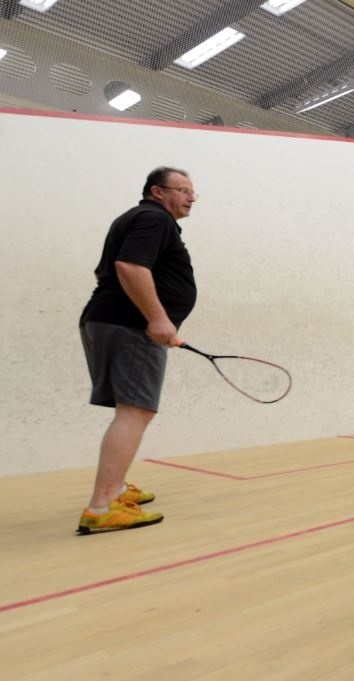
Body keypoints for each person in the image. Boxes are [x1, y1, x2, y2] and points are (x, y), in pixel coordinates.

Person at [76, 167, 199, 534]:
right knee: (136, 411)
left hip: (109, 321)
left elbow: (105, 272)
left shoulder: (136, 218)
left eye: (193, 192)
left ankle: (116, 488)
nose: (191, 197)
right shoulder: (153, 219)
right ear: (157, 192)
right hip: (131, 326)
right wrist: (158, 318)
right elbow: (129, 266)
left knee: (131, 410)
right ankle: (101, 507)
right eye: (182, 190)